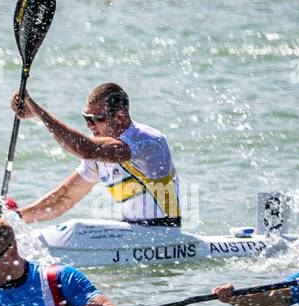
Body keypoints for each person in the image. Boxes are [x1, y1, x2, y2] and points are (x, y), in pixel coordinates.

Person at [9, 82, 181, 227]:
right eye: (86, 118)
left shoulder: (146, 141)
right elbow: (65, 197)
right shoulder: (98, 159)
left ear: (120, 117)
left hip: (164, 232)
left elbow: (87, 149)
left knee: (78, 229)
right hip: (133, 233)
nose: (90, 126)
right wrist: (15, 218)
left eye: (96, 119)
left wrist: (39, 113)